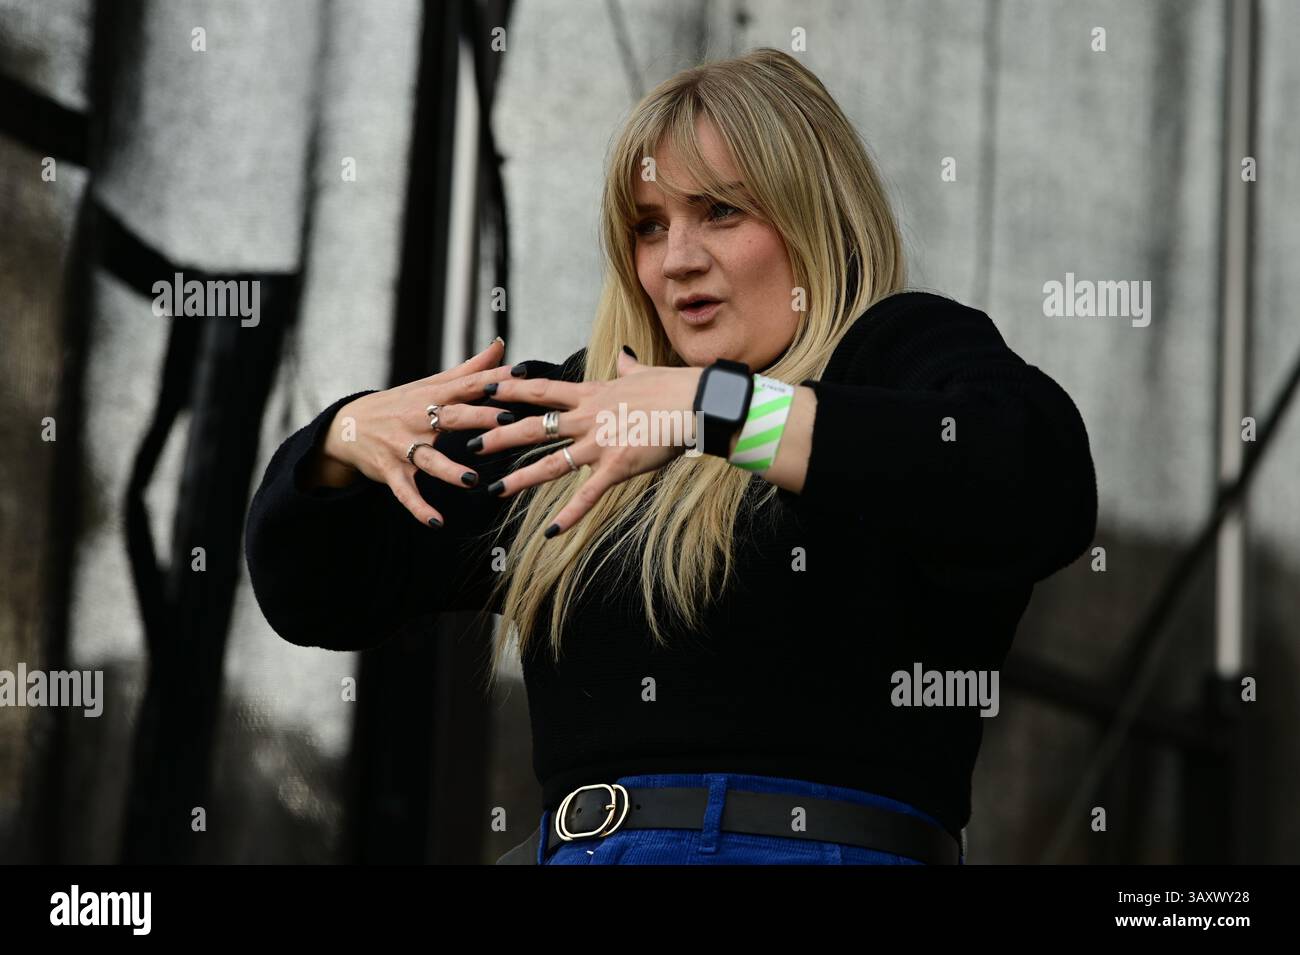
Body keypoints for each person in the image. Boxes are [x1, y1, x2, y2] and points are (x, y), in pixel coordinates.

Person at [244, 47, 1098, 865]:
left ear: (818, 216)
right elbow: (317, 592)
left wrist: (719, 411)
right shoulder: (583, 411)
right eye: (649, 227)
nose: (679, 260)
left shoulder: (896, 354)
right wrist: (337, 444)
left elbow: (1035, 485)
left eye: (721, 212)